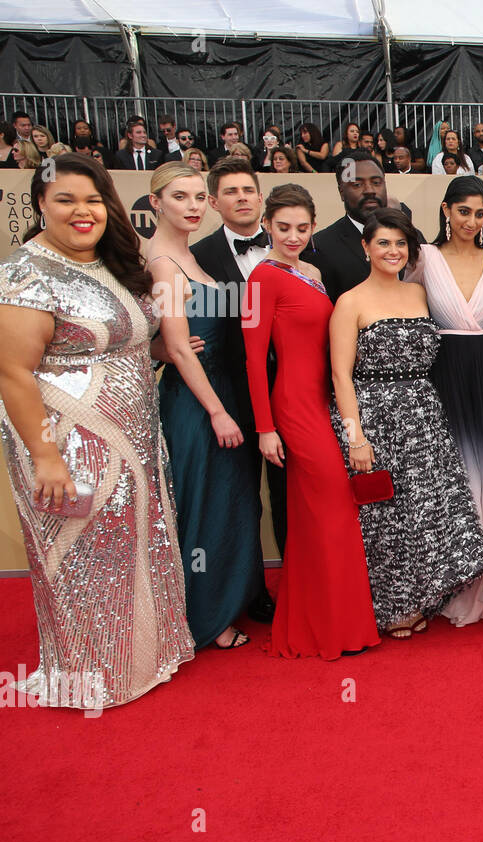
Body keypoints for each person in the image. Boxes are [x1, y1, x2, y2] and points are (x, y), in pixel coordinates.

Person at [0, 154, 194, 707]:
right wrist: (45, 457)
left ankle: (143, 657)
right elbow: (12, 372)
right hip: (70, 440)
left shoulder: (110, 263)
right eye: (65, 200)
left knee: (138, 544)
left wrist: (159, 347)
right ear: (40, 204)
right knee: (86, 557)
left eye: (92, 200)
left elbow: (120, 335)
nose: (82, 212)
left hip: (135, 434)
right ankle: (92, 672)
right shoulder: (24, 272)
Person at [329, 208, 483, 637]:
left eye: (401, 243)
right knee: (384, 517)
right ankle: (389, 606)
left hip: (422, 414)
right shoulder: (349, 302)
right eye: (383, 242)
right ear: (365, 248)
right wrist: (355, 437)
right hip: (375, 417)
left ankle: (423, 596)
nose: (393, 250)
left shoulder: (418, 295)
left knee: (423, 512)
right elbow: (340, 375)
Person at [243, 184, 380, 659]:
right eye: (283, 227)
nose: (293, 236)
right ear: (267, 226)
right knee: (334, 508)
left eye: (303, 227)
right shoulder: (260, 278)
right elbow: (254, 359)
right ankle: (336, 627)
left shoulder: (315, 274)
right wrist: (265, 427)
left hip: (322, 402)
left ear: (314, 226)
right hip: (293, 408)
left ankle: (320, 622)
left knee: (311, 517)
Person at [147, 163, 264, 650]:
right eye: (181, 197)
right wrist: (216, 411)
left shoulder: (187, 256)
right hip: (198, 402)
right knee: (203, 505)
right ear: (155, 202)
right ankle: (206, 619)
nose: (193, 206)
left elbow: (156, 337)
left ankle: (227, 599)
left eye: (198, 197)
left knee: (229, 501)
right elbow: (176, 349)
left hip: (220, 391)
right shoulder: (161, 262)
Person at [404, 176, 483, 625]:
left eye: (480, 212)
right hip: (441, 377)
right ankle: (448, 576)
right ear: (446, 211)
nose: (471, 220)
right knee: (450, 477)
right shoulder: (424, 259)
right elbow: (402, 311)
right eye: (463, 211)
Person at [190, 158, 285, 578]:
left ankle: (298, 585)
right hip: (232, 391)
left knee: (291, 494)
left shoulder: (291, 245)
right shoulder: (199, 257)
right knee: (241, 495)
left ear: (261, 197)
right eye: (230, 192)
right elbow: (185, 324)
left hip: (289, 387)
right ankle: (249, 592)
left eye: (248, 190)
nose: (241, 198)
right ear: (213, 201)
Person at [302, 150, 394, 302]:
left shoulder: (410, 237)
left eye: (376, 183)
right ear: (341, 191)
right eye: (357, 184)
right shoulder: (320, 247)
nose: (370, 190)